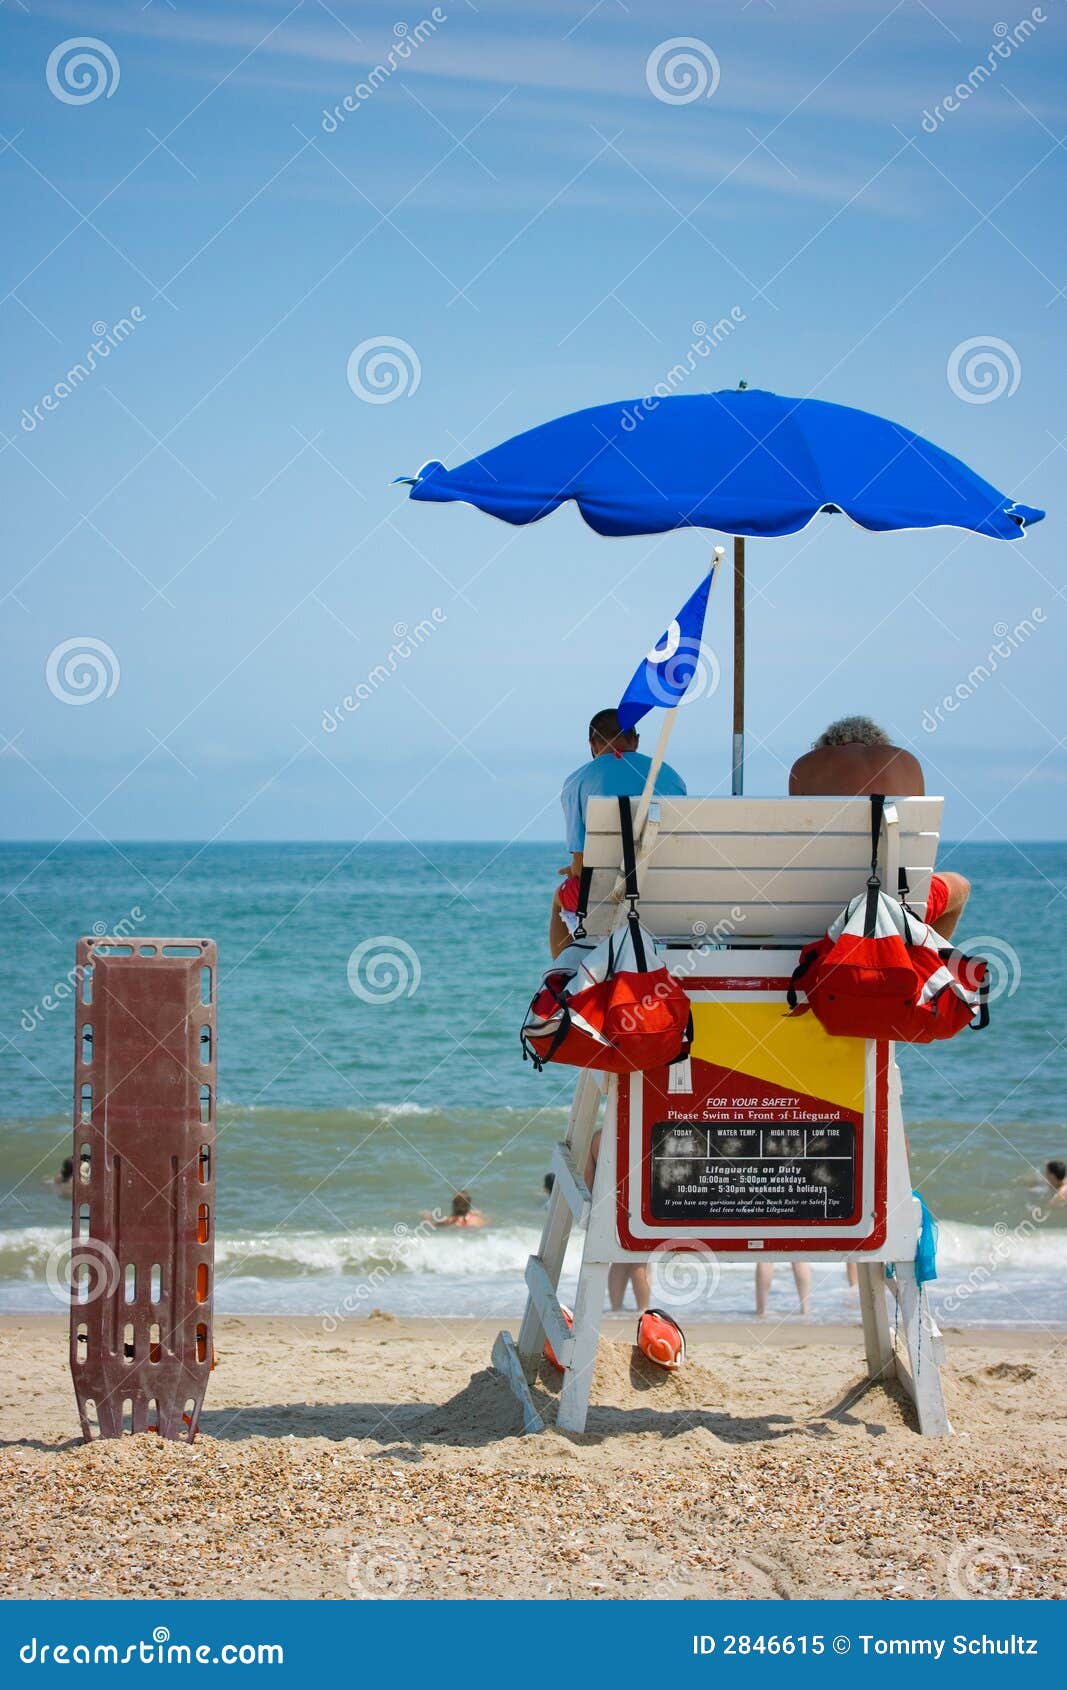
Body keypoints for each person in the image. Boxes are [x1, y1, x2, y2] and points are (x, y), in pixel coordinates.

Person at [789, 715, 970, 940]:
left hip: (821, 909)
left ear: (827, 748)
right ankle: (927, 960)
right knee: (960, 886)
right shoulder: (907, 763)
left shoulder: (805, 767)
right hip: (899, 905)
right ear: (878, 741)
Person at [550, 707, 687, 957]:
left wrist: (573, 870)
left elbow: (581, 869)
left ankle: (563, 977)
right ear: (635, 739)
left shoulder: (577, 781)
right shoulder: (670, 776)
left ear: (592, 743)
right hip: (670, 898)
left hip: (605, 901)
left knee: (559, 898)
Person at [585, 1128, 651, 1311]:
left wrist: (591, 1208)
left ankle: (616, 1310)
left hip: (610, 1202)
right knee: (640, 1259)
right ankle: (643, 1309)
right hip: (639, 1200)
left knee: (618, 1257)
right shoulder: (640, 1130)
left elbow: (588, 1176)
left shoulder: (599, 1137)